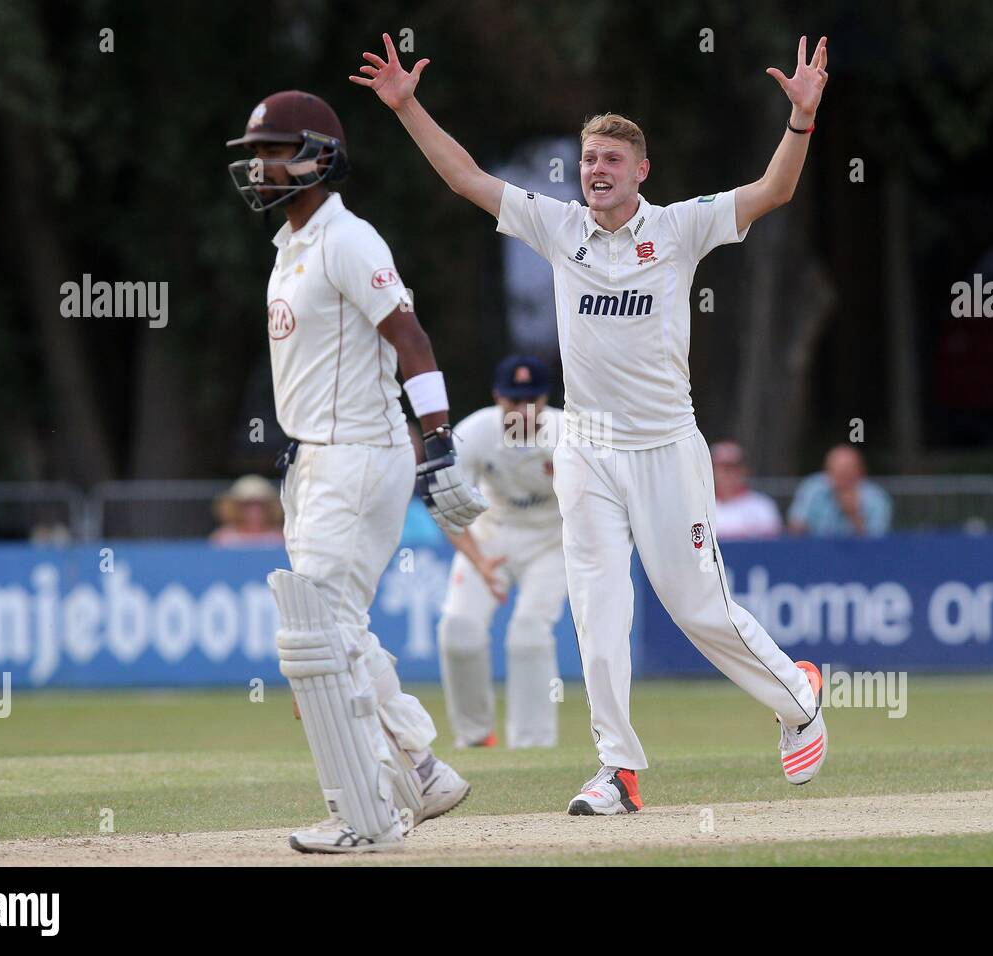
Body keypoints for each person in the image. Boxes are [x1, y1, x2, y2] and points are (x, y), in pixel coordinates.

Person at [352, 33, 831, 815]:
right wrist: (407, 106)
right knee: (597, 611)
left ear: (640, 170)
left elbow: (771, 192)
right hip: (586, 446)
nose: (596, 172)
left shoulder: (679, 227)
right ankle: (618, 769)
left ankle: (796, 694)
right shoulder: (559, 227)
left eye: (611, 160)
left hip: (666, 444)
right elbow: (466, 177)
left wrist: (801, 120)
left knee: (695, 605)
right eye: (587, 161)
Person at [226, 89, 486, 853]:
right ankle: (421, 768)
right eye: (256, 154)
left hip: (358, 455)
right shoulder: (289, 249)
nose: (261, 166)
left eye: (274, 150)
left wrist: (437, 440)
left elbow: (412, 338)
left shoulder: (348, 238)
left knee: (316, 639)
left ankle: (365, 816)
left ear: (319, 155)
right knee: (339, 631)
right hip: (312, 464)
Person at [437, 355, 566, 749]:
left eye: (532, 401)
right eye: (513, 402)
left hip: (552, 541)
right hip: (489, 537)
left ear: (546, 398)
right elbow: (447, 507)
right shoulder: (474, 432)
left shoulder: (571, 433)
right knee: (458, 631)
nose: (522, 412)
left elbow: (599, 501)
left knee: (528, 634)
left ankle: (532, 745)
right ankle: (476, 737)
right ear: (498, 397)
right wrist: (479, 561)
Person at [788, 444, 891, 537]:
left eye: (847, 470)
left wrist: (853, 515)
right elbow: (795, 529)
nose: (843, 476)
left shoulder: (876, 498)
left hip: (858, 555)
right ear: (827, 471)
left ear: (860, 471)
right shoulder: (812, 489)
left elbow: (876, 544)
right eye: (837, 471)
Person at [710, 440, 782, 540]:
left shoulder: (762, 506)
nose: (728, 474)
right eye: (723, 468)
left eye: (734, 468)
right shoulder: (700, 508)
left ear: (744, 470)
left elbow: (771, 548)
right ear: (711, 470)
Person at [209, 475, 285, 547]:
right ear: (235, 508)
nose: (254, 511)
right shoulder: (223, 538)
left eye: (260, 505)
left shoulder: (281, 538)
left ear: (270, 508)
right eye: (247, 505)